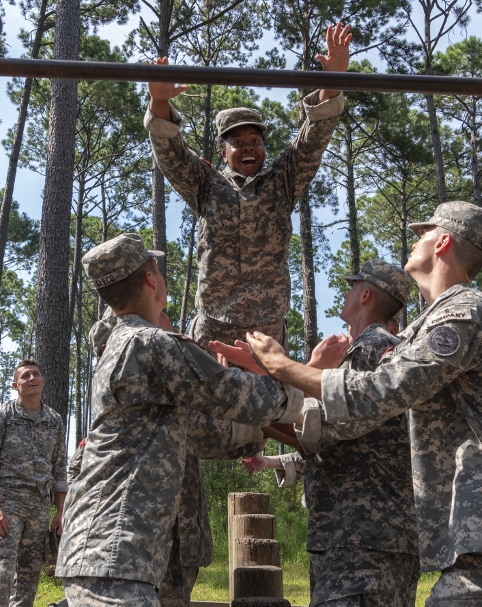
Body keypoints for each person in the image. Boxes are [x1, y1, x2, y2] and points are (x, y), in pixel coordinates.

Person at [246, 201, 482, 606]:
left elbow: (381, 389)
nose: (414, 243)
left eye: (423, 234)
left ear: (443, 241)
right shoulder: (426, 325)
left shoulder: (467, 312)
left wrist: (282, 366)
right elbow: (359, 403)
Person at [55, 233, 302, 607]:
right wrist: (296, 371)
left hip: (112, 552)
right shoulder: (151, 343)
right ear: (151, 279)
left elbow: (208, 432)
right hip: (115, 553)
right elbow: (253, 401)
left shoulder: (128, 344)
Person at [145, 23, 351, 348]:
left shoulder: (282, 182)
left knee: (269, 399)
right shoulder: (206, 184)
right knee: (206, 399)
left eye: (255, 140)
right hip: (213, 324)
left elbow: (313, 139)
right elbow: (170, 153)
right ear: (223, 151)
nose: (249, 147)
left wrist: (334, 82)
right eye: (238, 142)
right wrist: (159, 102)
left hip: (266, 328)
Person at [230, 260, 421, 607]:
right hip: (361, 535)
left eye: (351, 287)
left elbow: (311, 431)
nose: (344, 293)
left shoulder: (371, 349)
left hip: (362, 537)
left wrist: (251, 392)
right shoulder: (365, 350)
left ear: (365, 296)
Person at [82, 305, 265, 607]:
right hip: (134, 541)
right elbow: (209, 433)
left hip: (176, 534)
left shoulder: (159, 375)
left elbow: (210, 441)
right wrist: (254, 412)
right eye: (159, 318)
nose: (168, 326)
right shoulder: (142, 379)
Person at [0, 358, 68, 607]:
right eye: (25, 376)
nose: (32, 379)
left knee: (28, 579)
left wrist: (61, 511)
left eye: (36, 374)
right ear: (16, 385)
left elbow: (59, 468)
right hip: (8, 506)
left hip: (39, 508)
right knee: (2, 574)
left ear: (43, 381)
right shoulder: (2, 416)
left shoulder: (54, 420)